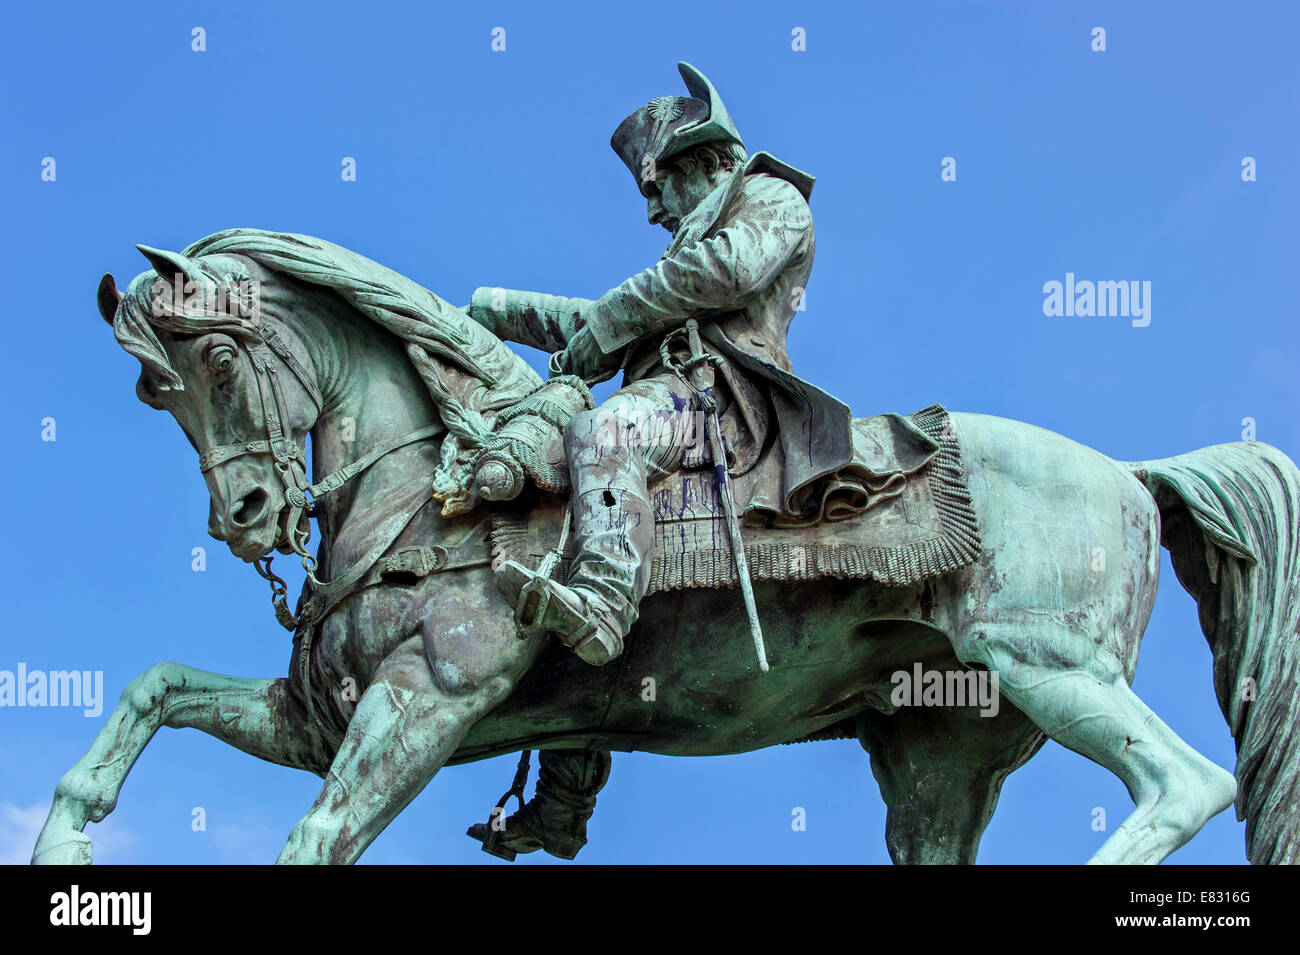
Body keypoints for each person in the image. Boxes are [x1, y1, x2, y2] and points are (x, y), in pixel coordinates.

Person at [465, 62, 858, 859]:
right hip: (670, 395)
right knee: (555, 526)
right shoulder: (679, 258)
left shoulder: (771, 201)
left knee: (603, 435)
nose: (651, 208)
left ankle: (606, 600)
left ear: (703, 160)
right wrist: (491, 309)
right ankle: (564, 801)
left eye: (657, 185)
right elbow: (613, 319)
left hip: (724, 400)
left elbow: (724, 273)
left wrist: (610, 318)